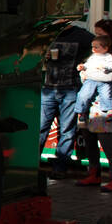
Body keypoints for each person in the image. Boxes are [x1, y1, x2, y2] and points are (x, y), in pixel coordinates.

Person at [75, 19, 112, 192]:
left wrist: (89, 73)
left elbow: (110, 78)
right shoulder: (96, 53)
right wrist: (90, 73)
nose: (97, 37)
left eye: (100, 34)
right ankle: (94, 173)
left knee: (105, 139)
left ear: (111, 35)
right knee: (89, 138)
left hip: (104, 104)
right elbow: (82, 75)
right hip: (88, 102)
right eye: (96, 33)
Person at [39, 22, 93, 178]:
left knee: (67, 130)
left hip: (70, 88)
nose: (55, 22)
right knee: (41, 128)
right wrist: (44, 55)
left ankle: (60, 167)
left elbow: (101, 47)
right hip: (49, 87)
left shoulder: (81, 35)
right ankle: (30, 166)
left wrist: (86, 64)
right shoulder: (47, 33)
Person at [74, 35, 112, 123]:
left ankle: (109, 111)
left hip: (103, 80)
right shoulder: (93, 57)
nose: (93, 49)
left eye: (96, 47)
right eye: (92, 47)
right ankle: (81, 111)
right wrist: (82, 66)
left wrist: (105, 66)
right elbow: (87, 65)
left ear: (105, 48)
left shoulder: (109, 57)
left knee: (106, 95)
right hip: (90, 79)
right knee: (83, 95)